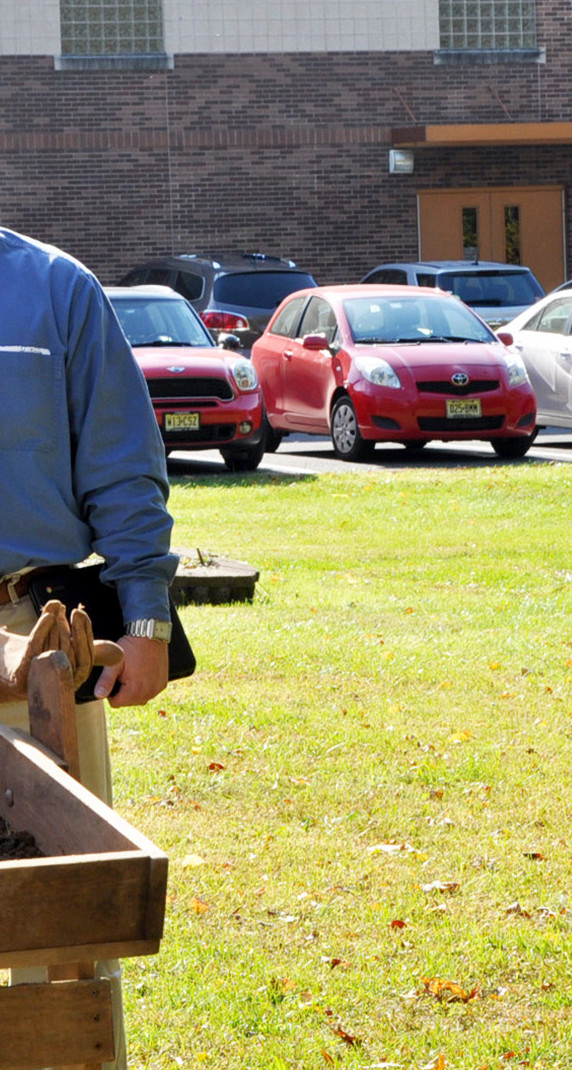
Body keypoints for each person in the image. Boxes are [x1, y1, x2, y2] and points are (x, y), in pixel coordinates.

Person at [0, 225, 178, 1070]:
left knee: (64, 913)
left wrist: (146, 626)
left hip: (42, 637)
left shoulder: (57, 288)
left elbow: (122, 461)